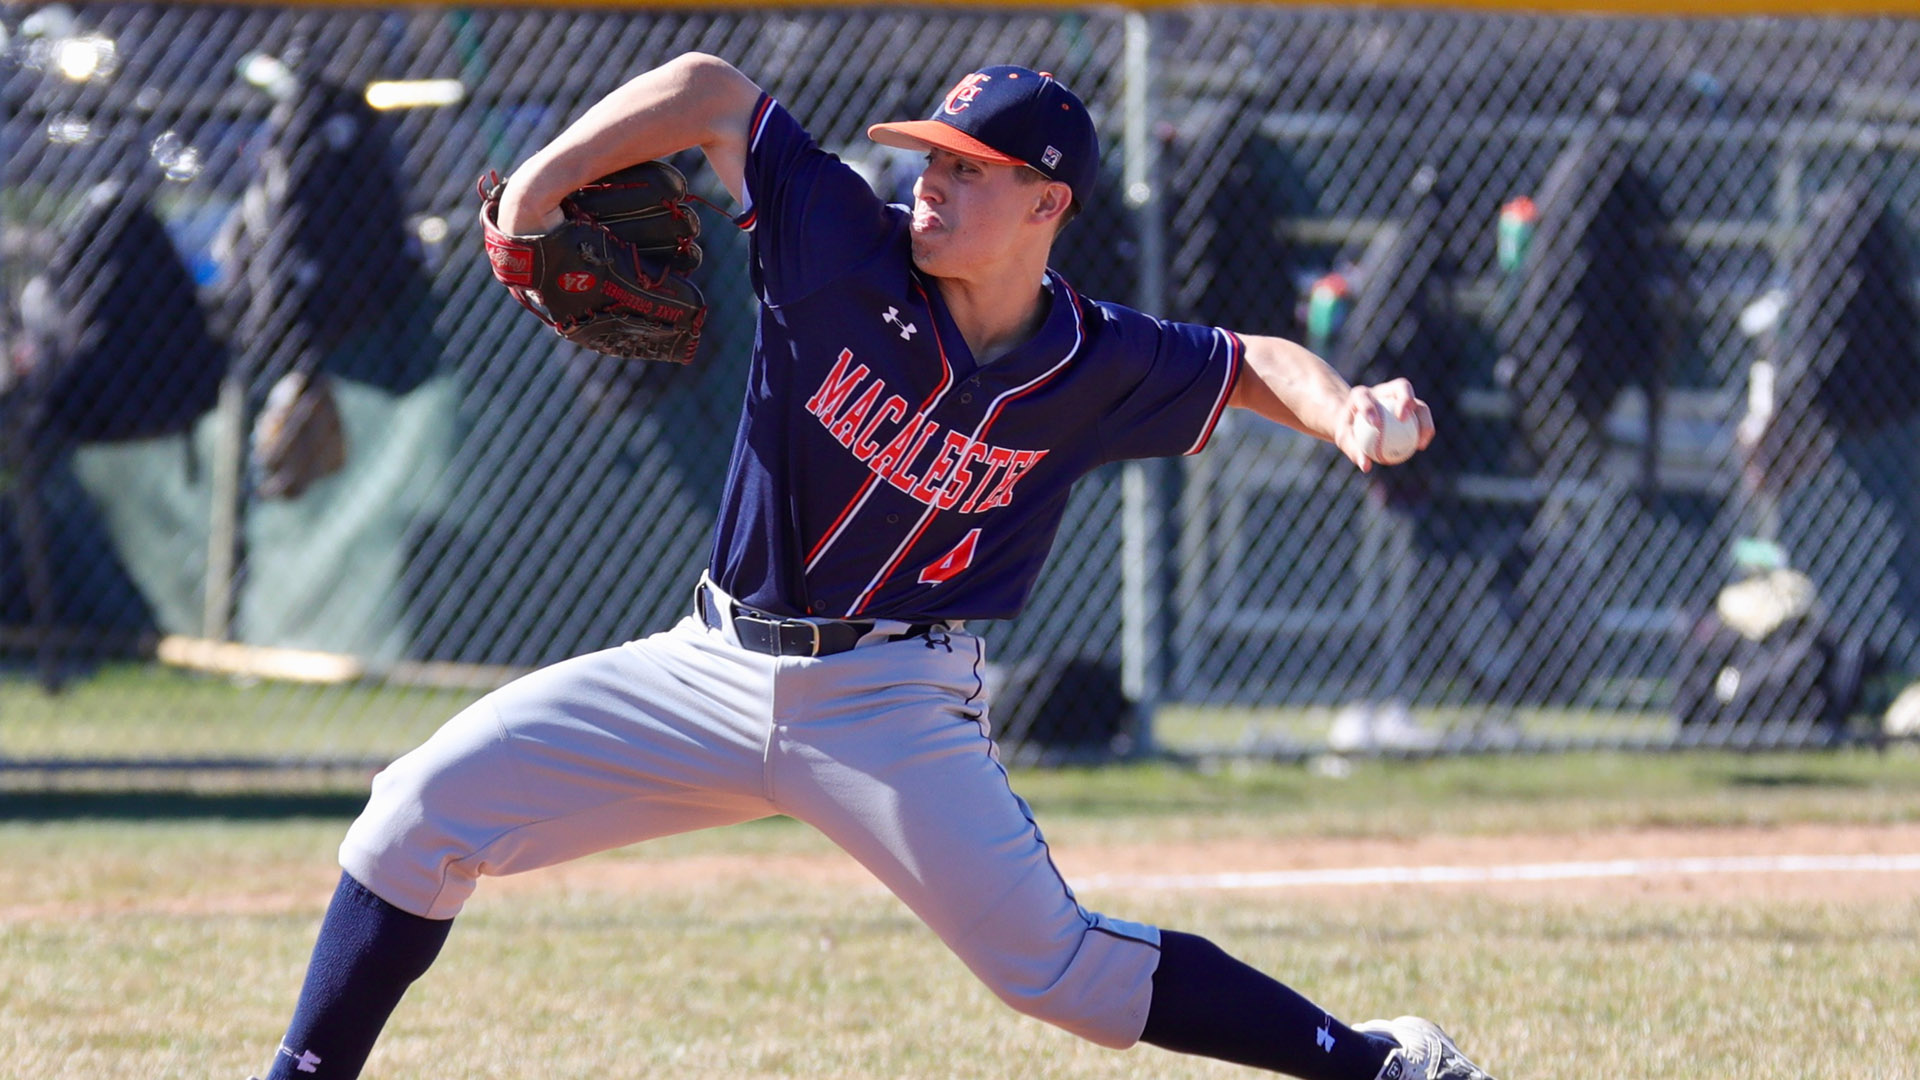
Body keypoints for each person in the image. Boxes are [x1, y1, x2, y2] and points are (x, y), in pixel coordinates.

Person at [252, 54, 1495, 1080]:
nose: (929, 180)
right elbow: (706, 90)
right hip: (709, 665)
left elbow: (1251, 361)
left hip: (892, 703)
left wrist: (1346, 411)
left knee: (1060, 973)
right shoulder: (837, 241)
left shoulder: (1093, 361)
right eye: (928, 156)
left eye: (968, 168)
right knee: (414, 817)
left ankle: (1380, 1064)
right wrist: (537, 185)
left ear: (1049, 204)